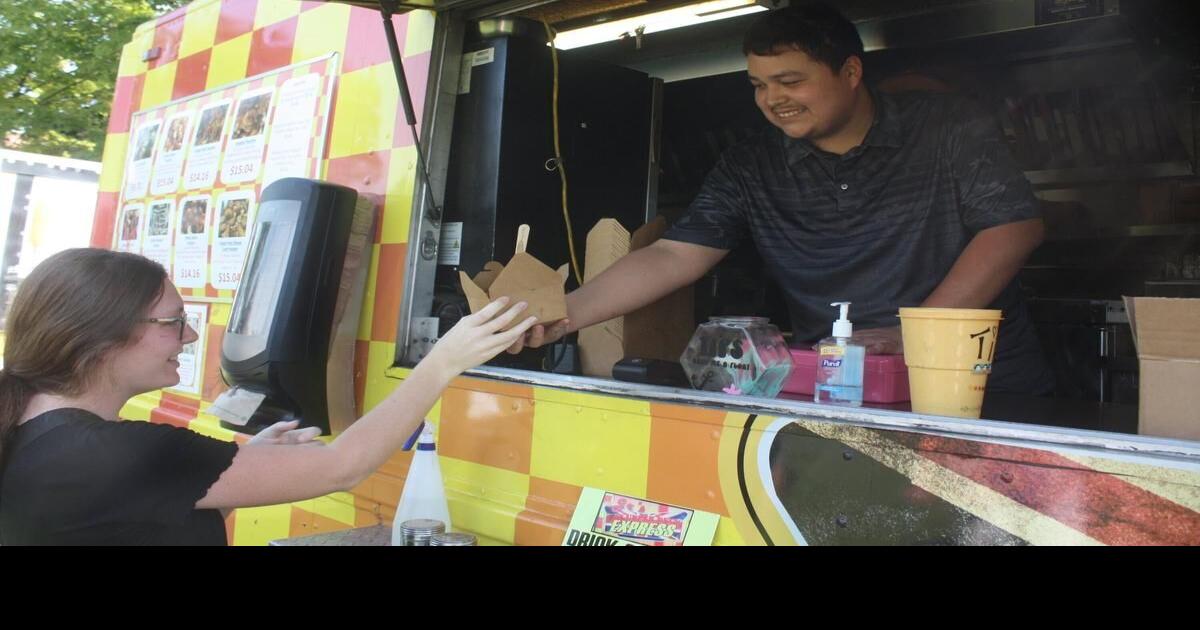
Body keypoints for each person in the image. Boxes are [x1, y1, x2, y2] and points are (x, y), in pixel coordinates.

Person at [513, 1, 1053, 395]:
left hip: (976, 385)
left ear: (850, 72)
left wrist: (914, 333)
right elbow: (673, 255)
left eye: (790, 81)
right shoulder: (752, 165)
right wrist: (561, 316)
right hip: (838, 386)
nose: (772, 99)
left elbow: (1013, 226)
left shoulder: (945, 129)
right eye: (759, 84)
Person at [0, 248, 536, 545]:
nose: (190, 336)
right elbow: (341, 468)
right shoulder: (118, 451)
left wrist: (244, 469)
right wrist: (443, 360)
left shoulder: (31, 430)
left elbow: (138, 524)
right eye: (174, 322)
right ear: (101, 336)